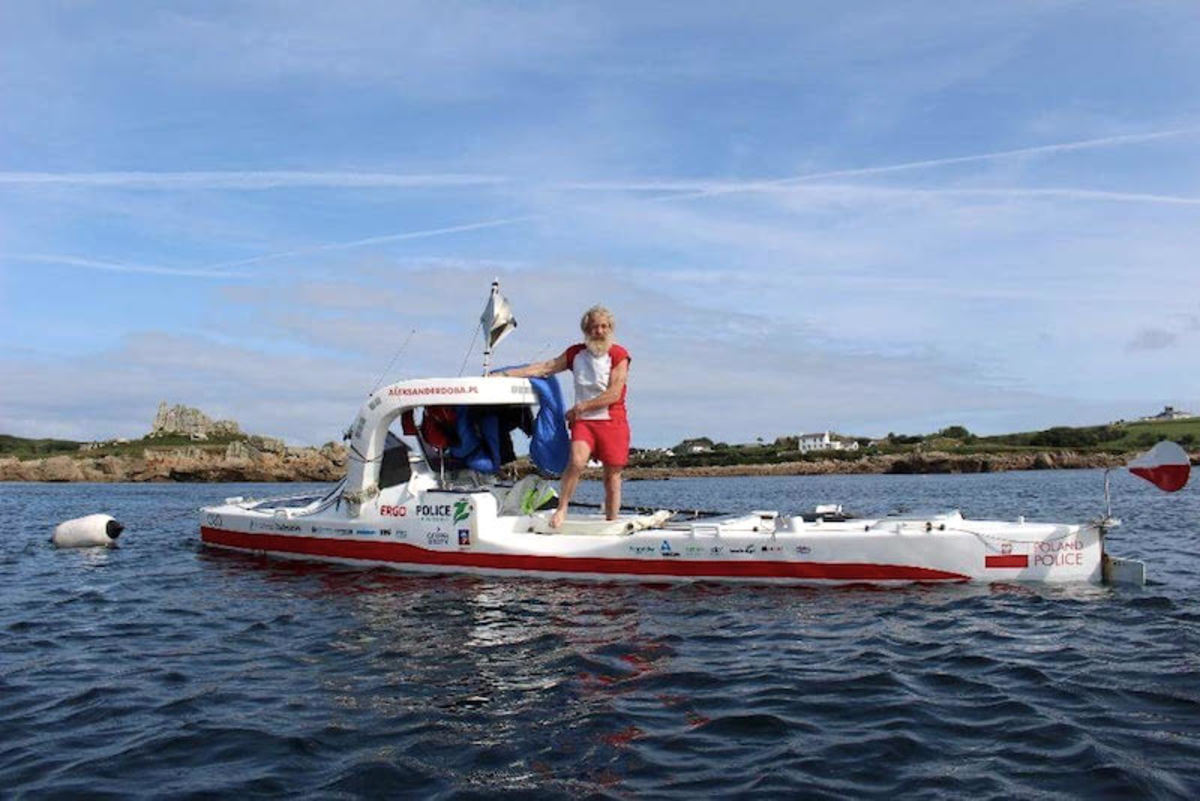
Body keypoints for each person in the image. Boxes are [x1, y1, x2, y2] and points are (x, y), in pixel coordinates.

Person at [500, 305, 630, 528]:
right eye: (594, 327)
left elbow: (614, 392)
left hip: (612, 422)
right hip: (585, 423)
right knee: (577, 462)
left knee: (612, 476)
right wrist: (507, 374)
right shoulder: (575, 354)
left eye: (603, 326)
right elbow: (546, 367)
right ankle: (562, 509)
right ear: (586, 329)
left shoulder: (619, 355)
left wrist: (582, 407)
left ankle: (612, 522)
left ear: (610, 328)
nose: (599, 331)